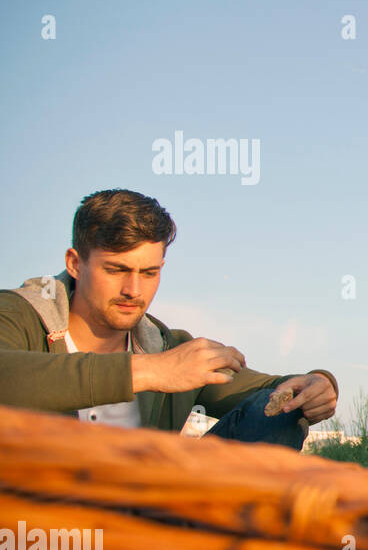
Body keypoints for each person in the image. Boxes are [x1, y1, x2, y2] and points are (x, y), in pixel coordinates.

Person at [0, 189, 339, 446]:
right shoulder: (18, 314)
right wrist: (152, 371)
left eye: (148, 273)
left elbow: (268, 389)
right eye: (116, 270)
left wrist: (318, 383)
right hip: (37, 529)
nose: (134, 290)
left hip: (144, 518)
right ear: (75, 263)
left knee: (280, 412)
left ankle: (215, 538)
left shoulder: (166, 346)